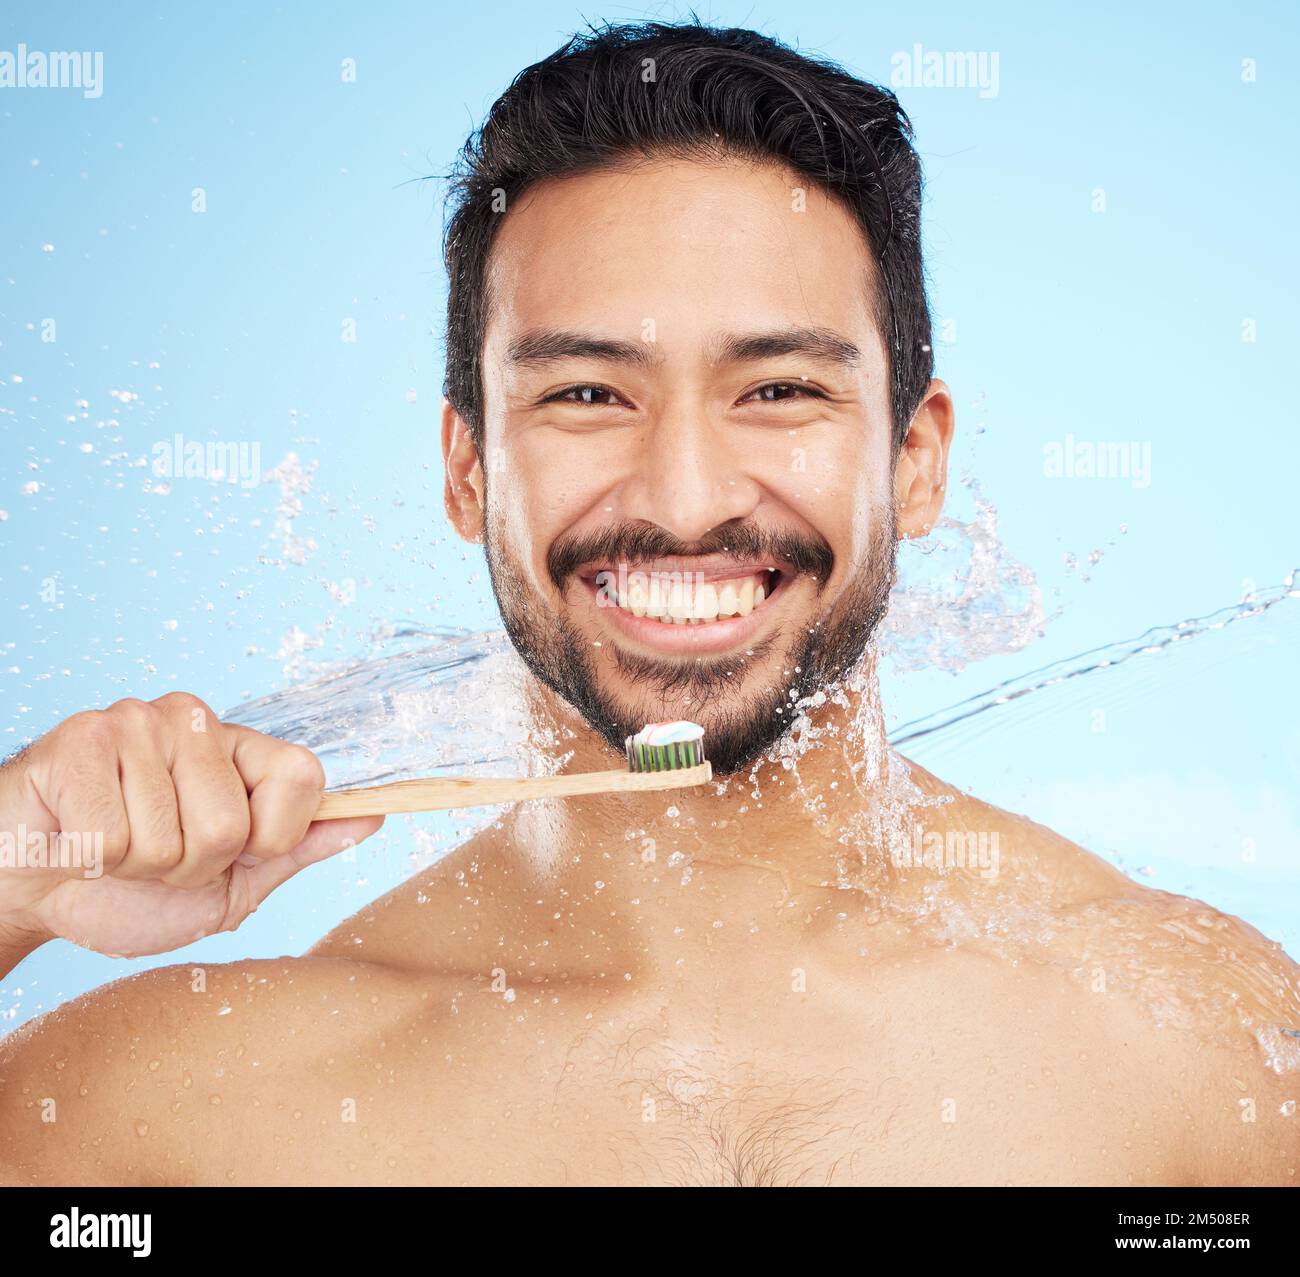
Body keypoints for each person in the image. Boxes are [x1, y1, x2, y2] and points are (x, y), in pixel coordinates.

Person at [1, 20, 1296, 1187]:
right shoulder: (178, 1109)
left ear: (916, 457)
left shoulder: (1201, 1046)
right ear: (467, 467)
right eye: (586, 393)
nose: (683, 497)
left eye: (780, 387)